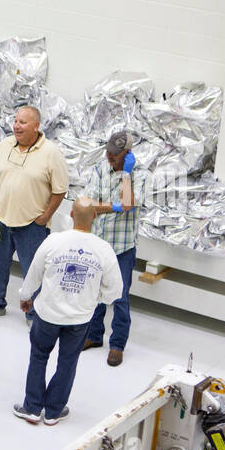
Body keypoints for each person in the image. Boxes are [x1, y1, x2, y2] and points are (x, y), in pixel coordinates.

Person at [13, 200, 122, 425]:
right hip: (80, 318)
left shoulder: (53, 241)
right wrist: (95, 299)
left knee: (39, 356)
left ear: (71, 214)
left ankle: (32, 408)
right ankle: (53, 411)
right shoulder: (103, 249)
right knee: (68, 362)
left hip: (47, 314)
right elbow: (115, 291)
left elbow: (34, 273)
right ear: (94, 216)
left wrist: (26, 297)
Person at [0, 105, 69, 320]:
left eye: (23, 123)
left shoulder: (51, 153)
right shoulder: (6, 144)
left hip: (32, 226)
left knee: (34, 271)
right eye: (16, 121)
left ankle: (35, 314)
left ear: (36, 126)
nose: (17, 126)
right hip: (1, 219)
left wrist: (46, 216)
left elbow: (60, 189)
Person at [73, 130, 148, 367]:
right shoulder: (99, 169)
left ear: (128, 154)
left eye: (115, 154)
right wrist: (113, 206)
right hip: (99, 244)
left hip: (123, 247)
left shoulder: (140, 175)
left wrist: (126, 175)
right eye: (108, 152)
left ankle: (117, 344)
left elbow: (128, 204)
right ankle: (94, 336)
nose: (110, 157)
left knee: (120, 297)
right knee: (94, 293)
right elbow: (87, 204)